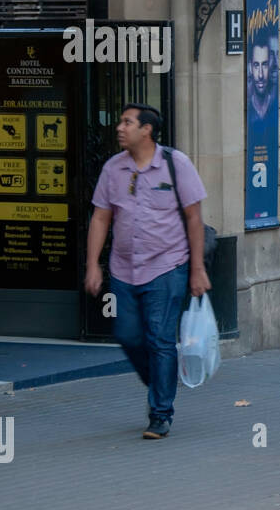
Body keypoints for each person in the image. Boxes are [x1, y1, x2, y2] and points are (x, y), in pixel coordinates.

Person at [84, 104, 210, 439]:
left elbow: (194, 219)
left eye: (127, 122)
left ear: (147, 130)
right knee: (127, 334)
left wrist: (197, 269)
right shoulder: (114, 168)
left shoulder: (175, 164)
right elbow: (100, 217)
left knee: (159, 338)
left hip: (167, 265)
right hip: (124, 268)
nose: (119, 128)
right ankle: (160, 378)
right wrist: (92, 264)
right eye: (121, 121)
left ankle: (160, 413)